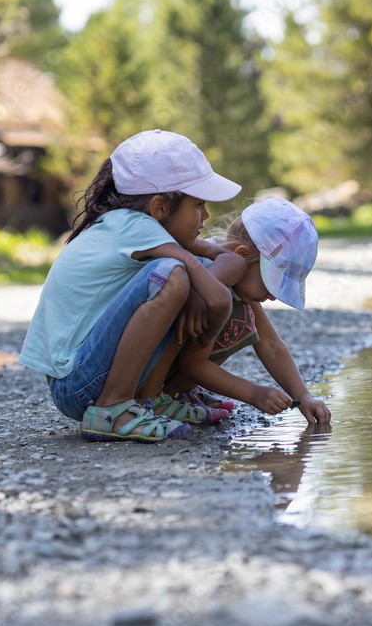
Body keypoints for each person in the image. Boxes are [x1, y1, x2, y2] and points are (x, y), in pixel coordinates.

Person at [19, 129, 242, 442]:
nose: (206, 216)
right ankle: (112, 408)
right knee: (172, 276)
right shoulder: (135, 227)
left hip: (90, 374)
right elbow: (218, 298)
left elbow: (233, 262)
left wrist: (196, 288)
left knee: (189, 273)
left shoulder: (143, 228)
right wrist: (199, 302)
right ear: (160, 207)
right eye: (198, 205)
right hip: (76, 383)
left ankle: (150, 399)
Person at [164, 198, 332, 424]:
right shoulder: (207, 272)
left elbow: (271, 344)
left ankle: (179, 390)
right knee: (240, 321)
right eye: (269, 282)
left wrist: (303, 396)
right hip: (142, 366)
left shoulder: (237, 283)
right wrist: (253, 393)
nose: (272, 295)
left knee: (244, 317)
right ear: (242, 255)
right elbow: (192, 363)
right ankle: (161, 396)